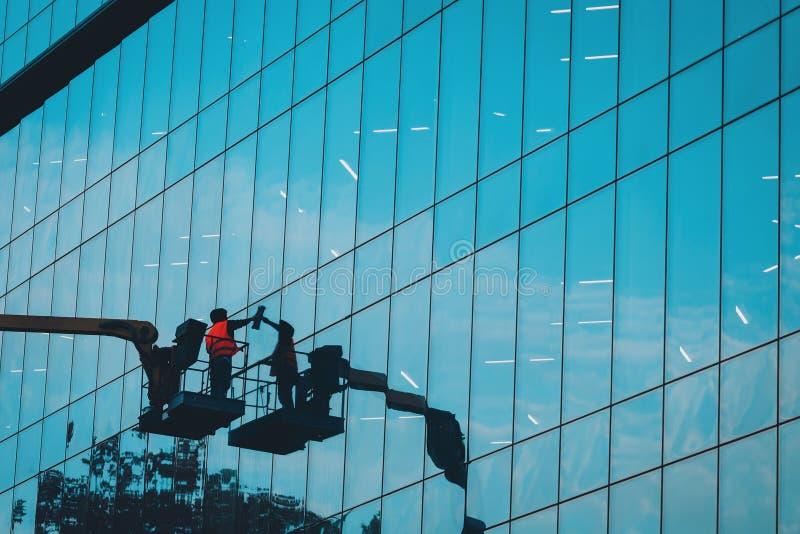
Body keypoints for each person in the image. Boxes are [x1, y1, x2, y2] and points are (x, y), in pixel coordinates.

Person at [205, 308, 254, 398]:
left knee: (215, 384)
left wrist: (235, 348)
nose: (226, 317)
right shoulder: (226, 324)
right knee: (224, 382)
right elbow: (239, 323)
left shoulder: (209, 333)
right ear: (221, 316)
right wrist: (252, 319)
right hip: (224, 359)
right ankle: (221, 400)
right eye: (225, 315)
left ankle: (215, 400)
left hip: (213, 362)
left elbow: (208, 350)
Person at [263, 317, 298, 409]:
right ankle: (288, 408)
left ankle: (288, 409)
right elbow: (278, 359)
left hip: (286, 371)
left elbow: (281, 361)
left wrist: (269, 322)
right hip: (286, 370)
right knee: (284, 393)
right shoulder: (284, 343)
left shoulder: (286, 341)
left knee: (284, 393)